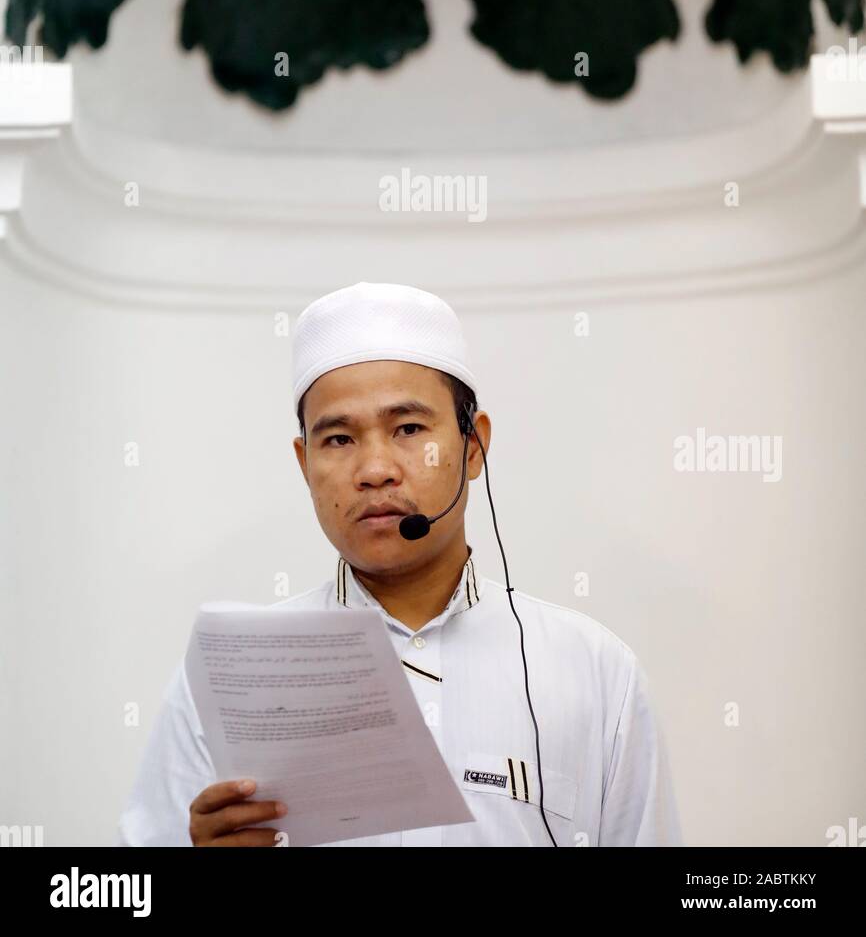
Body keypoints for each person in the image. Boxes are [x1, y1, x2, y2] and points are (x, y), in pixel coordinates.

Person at [117, 280, 682, 847]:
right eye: (338, 439)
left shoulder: (594, 671)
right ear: (304, 462)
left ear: (474, 446)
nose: (375, 468)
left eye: (409, 429)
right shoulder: (228, 683)